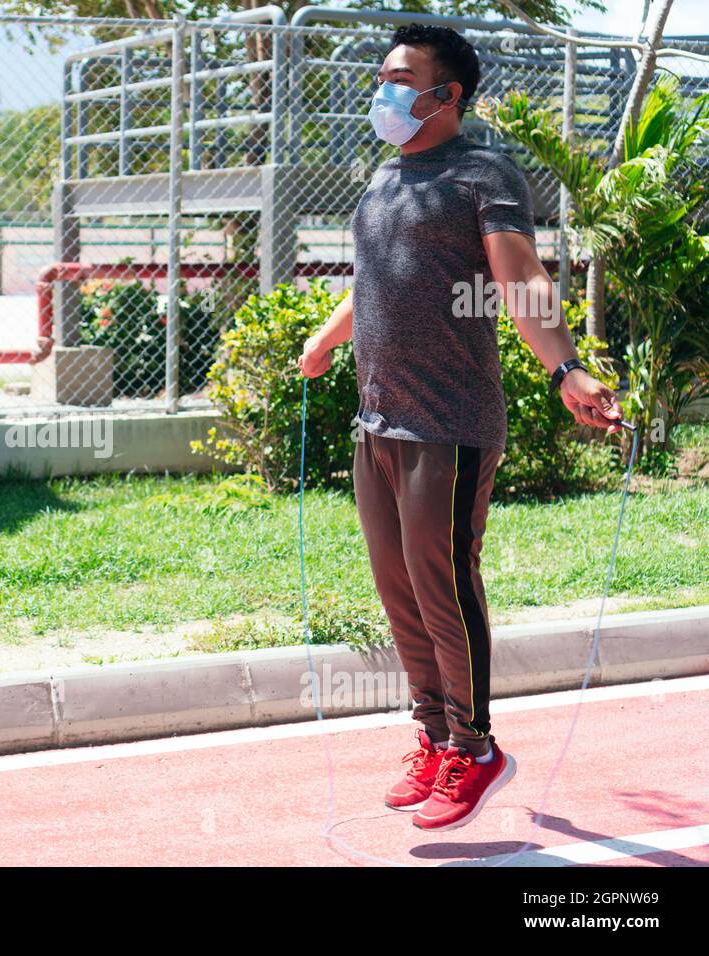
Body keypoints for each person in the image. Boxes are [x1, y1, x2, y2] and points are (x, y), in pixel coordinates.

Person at [297, 23, 625, 832]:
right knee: (400, 592)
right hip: (379, 421)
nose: (386, 89)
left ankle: (477, 751)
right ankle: (434, 734)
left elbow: (520, 280)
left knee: (445, 587)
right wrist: (326, 339)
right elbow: (374, 277)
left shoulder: (483, 173)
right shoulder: (386, 179)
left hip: (448, 421)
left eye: (402, 77)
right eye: (383, 75)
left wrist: (565, 368)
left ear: (448, 94)